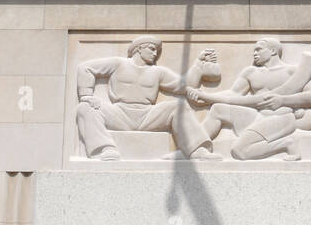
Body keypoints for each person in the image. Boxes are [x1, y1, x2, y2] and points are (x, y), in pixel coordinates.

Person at [76, 38, 220, 160]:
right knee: (84, 107)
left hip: (148, 116)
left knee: (178, 106)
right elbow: (85, 67)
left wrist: (198, 64)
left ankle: (197, 150)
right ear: (139, 48)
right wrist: (86, 95)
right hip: (119, 114)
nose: (155, 53)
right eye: (151, 49)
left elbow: (185, 85)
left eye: (156, 50)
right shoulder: (118, 63)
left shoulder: (158, 72)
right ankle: (104, 149)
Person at [186, 37, 311, 160]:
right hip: (258, 116)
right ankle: (196, 147)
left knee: (239, 151)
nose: (254, 53)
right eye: (254, 50)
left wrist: (283, 100)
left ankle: (286, 144)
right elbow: (234, 94)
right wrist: (206, 97)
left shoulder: (291, 71)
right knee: (217, 109)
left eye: (259, 49)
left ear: (272, 51)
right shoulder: (250, 72)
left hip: (280, 118)